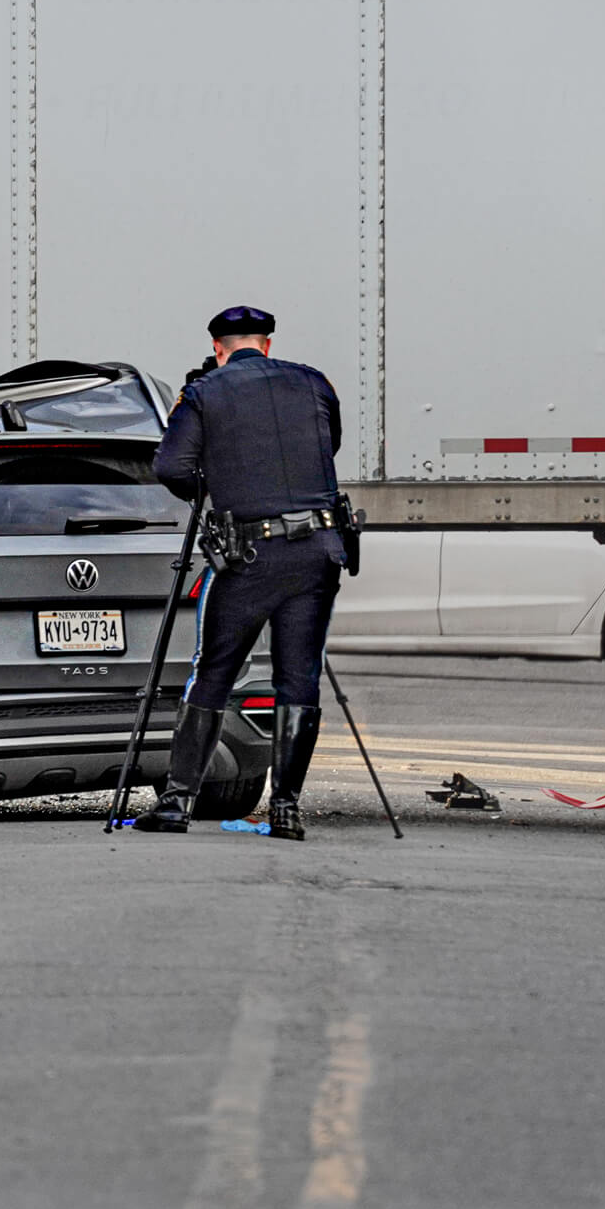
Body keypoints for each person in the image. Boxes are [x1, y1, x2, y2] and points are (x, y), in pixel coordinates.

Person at [140, 306, 347, 841]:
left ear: (218, 348)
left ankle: (177, 803)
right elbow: (328, 446)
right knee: (298, 678)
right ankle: (285, 809)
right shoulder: (314, 383)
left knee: (214, 671)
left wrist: (217, 476)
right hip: (318, 552)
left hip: (250, 554)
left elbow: (170, 467)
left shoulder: (205, 392)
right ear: (267, 344)